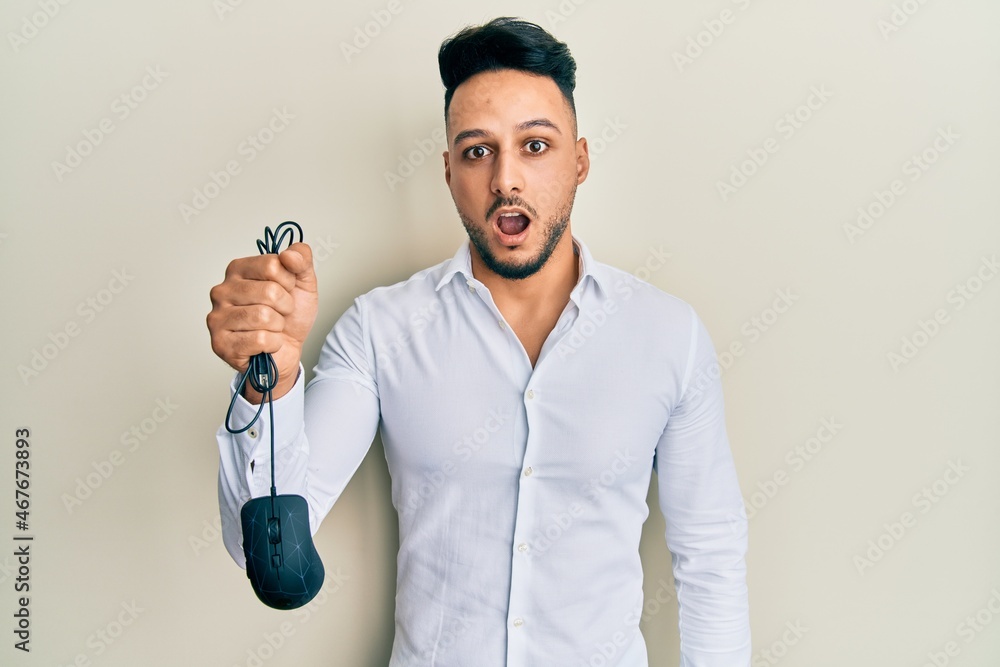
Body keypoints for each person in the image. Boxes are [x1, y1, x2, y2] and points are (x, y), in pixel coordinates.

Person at [208, 16, 751, 666]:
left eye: (535, 145)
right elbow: (260, 551)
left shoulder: (668, 335)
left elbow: (710, 554)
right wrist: (269, 383)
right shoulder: (380, 330)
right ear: (448, 171)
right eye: (476, 151)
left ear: (580, 160)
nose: (505, 179)